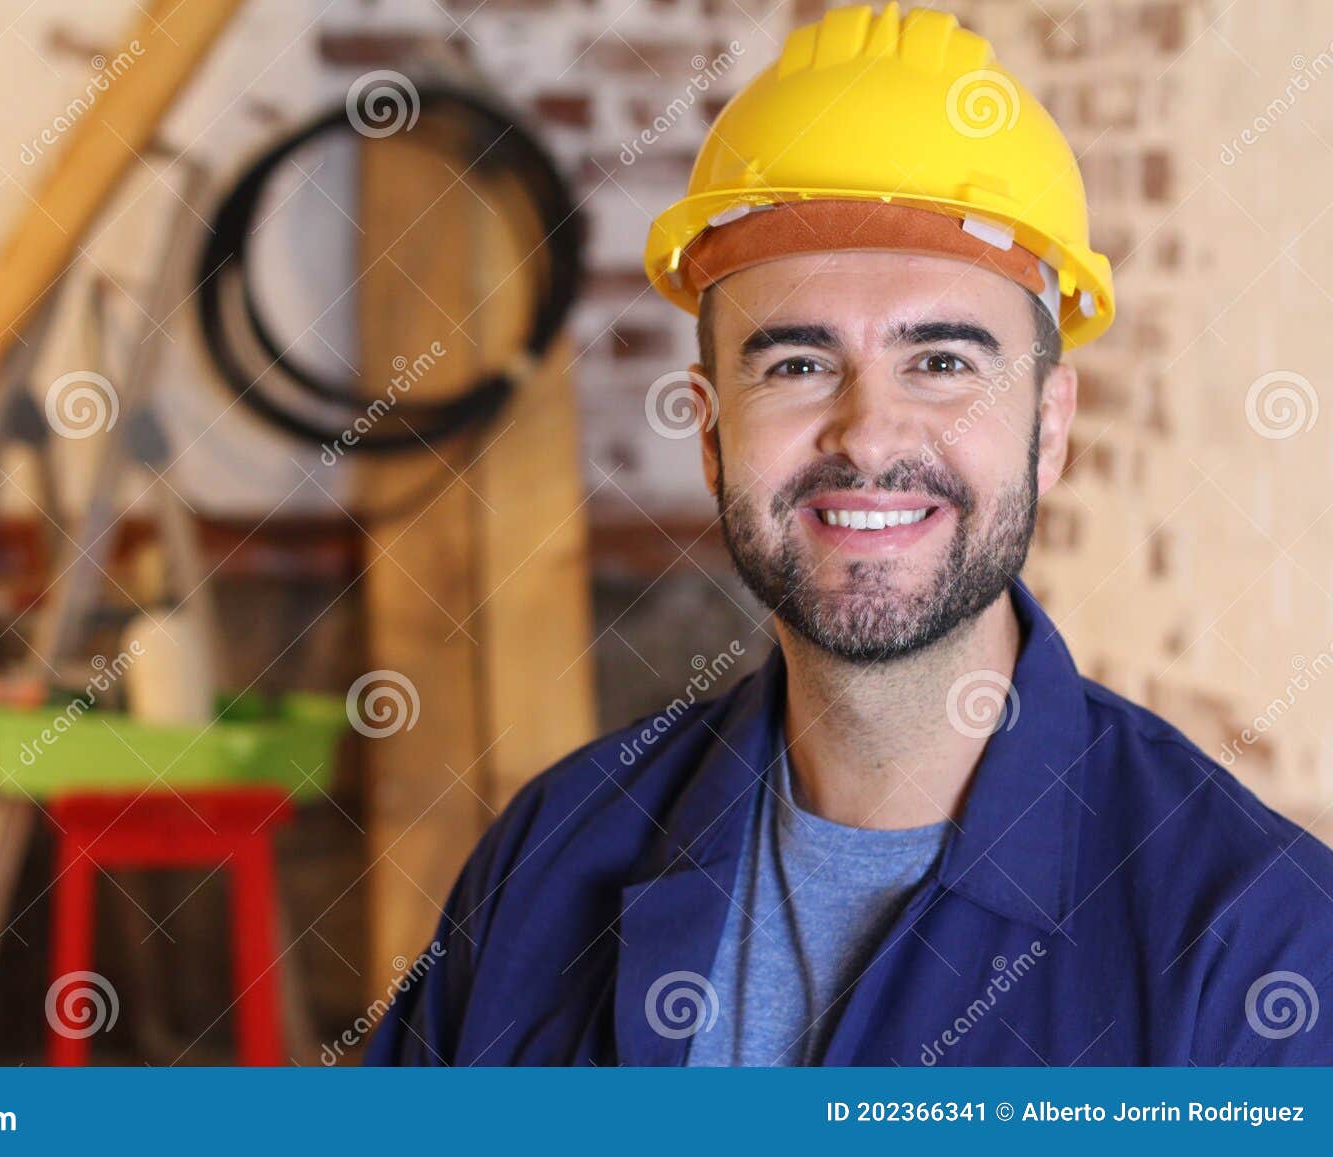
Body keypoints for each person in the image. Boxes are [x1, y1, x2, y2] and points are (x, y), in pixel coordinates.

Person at [363, 2, 1333, 1066]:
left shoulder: (1252, 945)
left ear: (1048, 426)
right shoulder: (549, 859)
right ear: (711, 431)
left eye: (943, 360)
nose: (867, 432)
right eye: (796, 363)